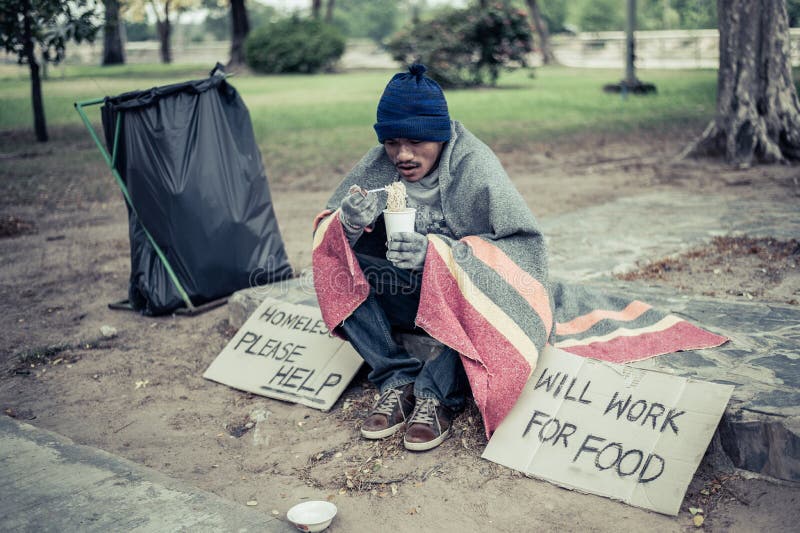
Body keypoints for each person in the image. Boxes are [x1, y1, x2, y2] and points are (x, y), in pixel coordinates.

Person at [312, 64, 553, 452]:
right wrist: (349, 225)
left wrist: (437, 254)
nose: (402, 154)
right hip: (407, 295)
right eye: (391, 142)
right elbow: (331, 237)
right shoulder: (379, 164)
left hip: (463, 302)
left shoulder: (474, 165)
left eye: (416, 141)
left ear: (439, 135)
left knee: (474, 285)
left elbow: (524, 249)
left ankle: (435, 393)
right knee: (333, 261)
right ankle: (395, 376)